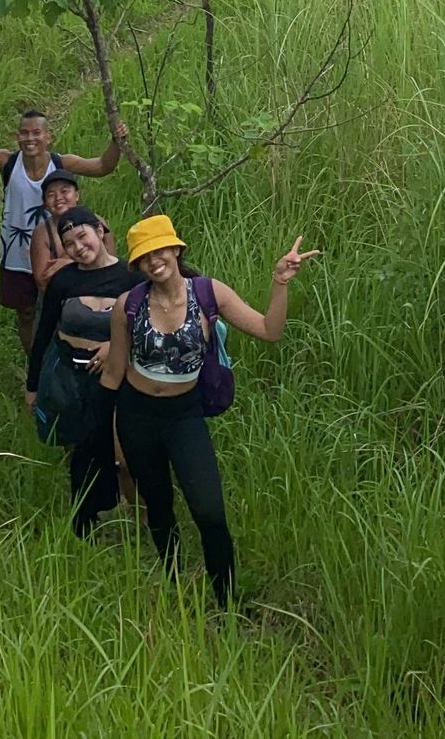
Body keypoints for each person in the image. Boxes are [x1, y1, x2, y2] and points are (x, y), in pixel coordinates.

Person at [100, 214, 318, 604]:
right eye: (145, 256)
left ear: (176, 249)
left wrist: (279, 283)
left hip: (184, 416)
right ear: (137, 264)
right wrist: (104, 433)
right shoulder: (127, 306)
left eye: (161, 249)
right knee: (159, 505)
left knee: (210, 513)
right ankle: (173, 583)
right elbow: (114, 372)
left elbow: (270, 330)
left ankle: (227, 600)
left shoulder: (207, 293)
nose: (155, 261)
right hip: (136, 415)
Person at [0, 100, 127, 352]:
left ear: (48, 137)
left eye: (36, 132)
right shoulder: (7, 161)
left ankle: (66, 354)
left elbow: (102, 166)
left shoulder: (61, 163)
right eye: (24, 132)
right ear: (16, 136)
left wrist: (117, 140)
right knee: (26, 312)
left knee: (68, 307)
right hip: (16, 253)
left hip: (62, 252)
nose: (30, 138)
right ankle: (34, 362)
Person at [26, 206, 140, 535]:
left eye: (82, 236)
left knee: (116, 446)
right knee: (80, 448)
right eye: (69, 243)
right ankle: (83, 524)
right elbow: (44, 332)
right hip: (70, 376)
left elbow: (148, 324)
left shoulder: (130, 277)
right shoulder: (63, 280)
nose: (78, 246)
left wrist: (116, 346)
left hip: (117, 377)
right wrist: (33, 385)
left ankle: (125, 512)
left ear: (100, 231)